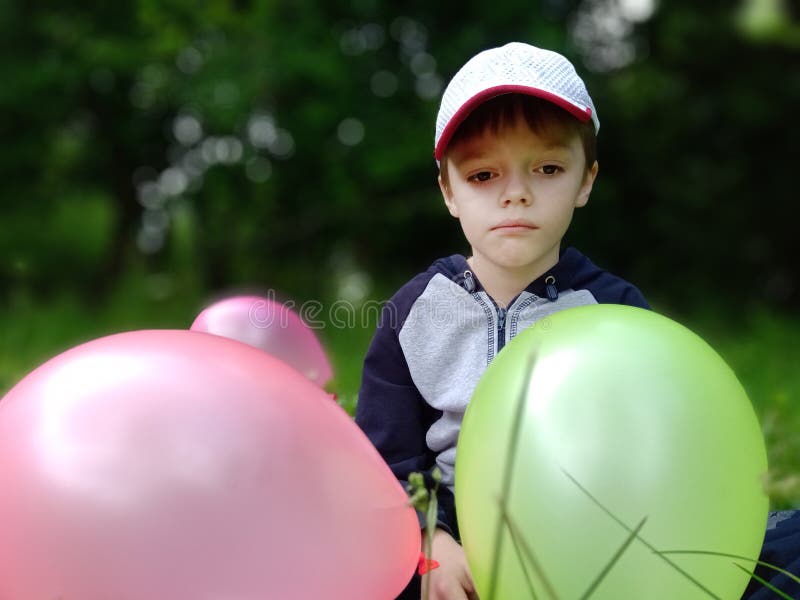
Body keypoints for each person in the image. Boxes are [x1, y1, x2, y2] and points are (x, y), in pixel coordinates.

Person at [354, 42, 800, 600]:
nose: (516, 194)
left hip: (585, 527)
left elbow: (659, 439)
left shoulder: (614, 314)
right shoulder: (415, 312)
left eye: (546, 168)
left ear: (585, 181)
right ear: (449, 190)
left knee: (789, 542)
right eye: (484, 175)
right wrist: (430, 540)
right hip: (453, 537)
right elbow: (382, 462)